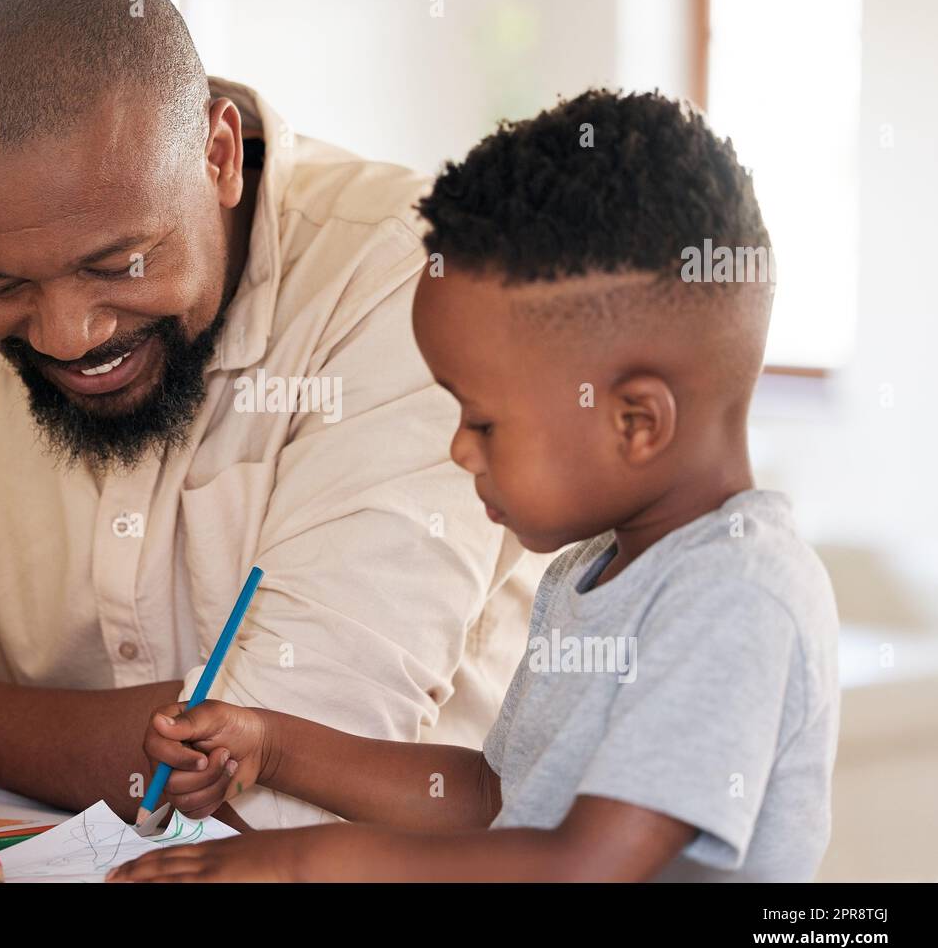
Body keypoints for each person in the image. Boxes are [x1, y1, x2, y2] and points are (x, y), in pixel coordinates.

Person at [0, 0, 538, 858]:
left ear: (217, 157)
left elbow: (293, 766)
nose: (65, 334)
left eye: (116, 265)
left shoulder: (416, 282)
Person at [110, 89, 840, 883]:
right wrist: (273, 744)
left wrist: (301, 862)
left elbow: (582, 866)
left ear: (635, 421)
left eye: (483, 420)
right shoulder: (587, 571)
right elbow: (497, 802)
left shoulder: (737, 593)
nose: (460, 448)